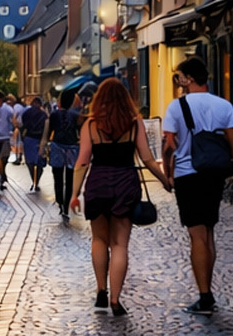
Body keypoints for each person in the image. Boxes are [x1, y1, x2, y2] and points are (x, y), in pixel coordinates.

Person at [69, 79, 172, 317]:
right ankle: (116, 300)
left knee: (98, 240)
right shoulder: (134, 124)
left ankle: (101, 291)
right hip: (125, 183)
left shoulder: (90, 125)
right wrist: (164, 180)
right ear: (125, 99)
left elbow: (83, 161)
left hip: (98, 183)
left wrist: (74, 194)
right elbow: (147, 158)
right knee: (119, 245)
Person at [161, 56, 233, 314]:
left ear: (189, 78)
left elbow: (169, 145)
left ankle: (204, 295)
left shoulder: (177, 107)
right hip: (214, 174)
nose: (178, 81)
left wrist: (167, 173)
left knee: (196, 235)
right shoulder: (224, 105)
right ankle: (208, 290)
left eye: (179, 76)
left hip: (188, 173)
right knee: (208, 231)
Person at [42, 88, 83, 222]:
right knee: (70, 178)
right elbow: (80, 132)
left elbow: (49, 132)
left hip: (57, 146)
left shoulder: (53, 114)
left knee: (57, 176)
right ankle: (66, 205)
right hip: (72, 148)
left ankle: (59, 201)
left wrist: (45, 145)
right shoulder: (75, 115)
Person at [19, 94, 49, 194]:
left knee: (30, 162)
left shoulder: (26, 112)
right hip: (40, 139)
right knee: (40, 162)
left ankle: (33, 179)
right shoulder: (44, 115)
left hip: (29, 138)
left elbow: (22, 125)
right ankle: (37, 181)